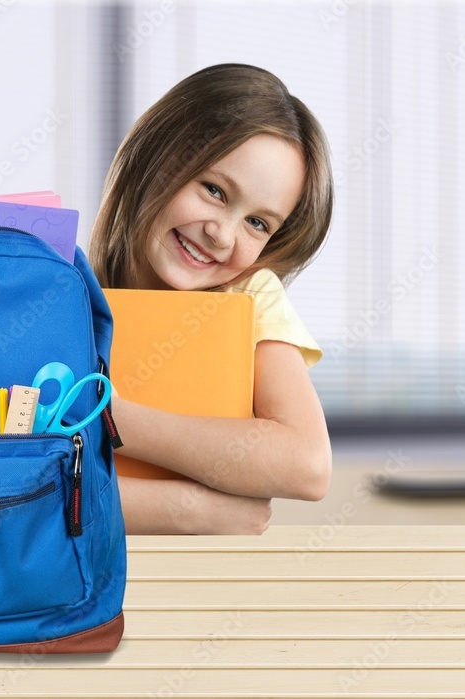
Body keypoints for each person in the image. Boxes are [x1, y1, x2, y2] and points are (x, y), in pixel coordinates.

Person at [88, 63, 333, 535]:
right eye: (215, 190)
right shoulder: (63, 289)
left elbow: (306, 465)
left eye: (258, 223)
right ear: (155, 158)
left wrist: (111, 421)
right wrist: (188, 508)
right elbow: (26, 501)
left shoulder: (251, 297)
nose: (222, 235)